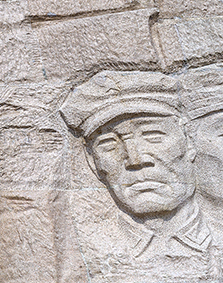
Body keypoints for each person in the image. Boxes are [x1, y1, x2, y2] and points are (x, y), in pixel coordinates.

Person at [60, 71, 221, 271]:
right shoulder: (75, 256)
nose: (135, 160)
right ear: (92, 162)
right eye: (109, 144)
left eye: (153, 135)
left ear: (188, 142)